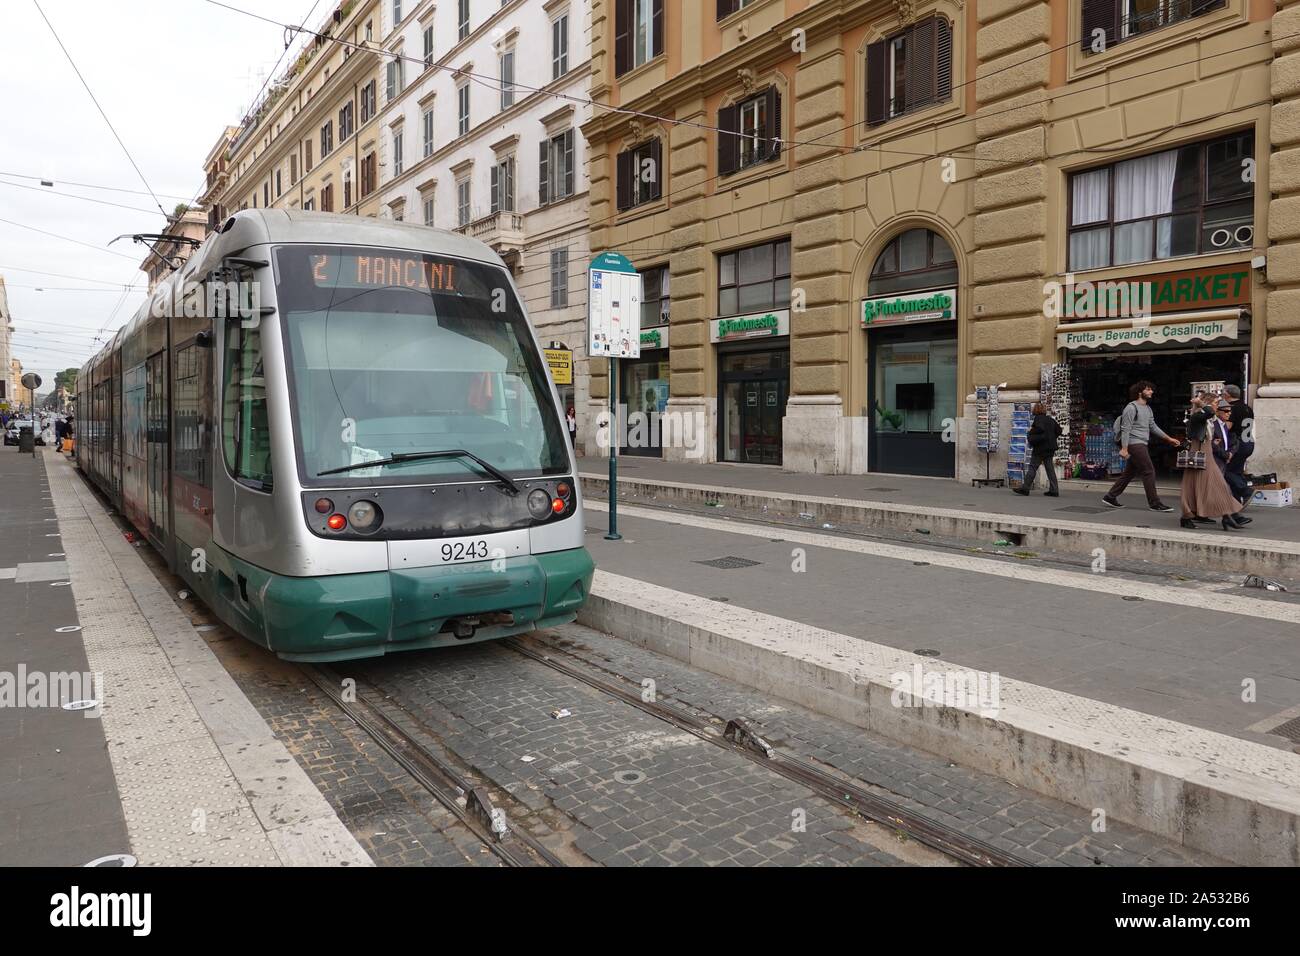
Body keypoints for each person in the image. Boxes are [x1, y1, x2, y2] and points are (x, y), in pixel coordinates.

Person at [1103, 380, 1181, 512]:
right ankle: (1154, 503)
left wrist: (1168, 439)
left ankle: (1110, 496)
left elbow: (1152, 426)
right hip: (1135, 444)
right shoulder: (1131, 408)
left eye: (1151, 389)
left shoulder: (1148, 408)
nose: (1151, 392)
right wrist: (1124, 448)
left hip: (1141, 443)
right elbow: (1126, 429)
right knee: (1148, 471)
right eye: (1148, 389)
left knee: (1129, 473)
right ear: (1140, 392)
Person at [1180, 395, 1247, 531]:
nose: (1218, 406)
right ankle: (1187, 516)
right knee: (1193, 485)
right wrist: (1200, 403)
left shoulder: (1208, 418)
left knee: (1217, 485)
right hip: (1198, 452)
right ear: (1208, 404)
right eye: (1216, 403)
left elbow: (1208, 430)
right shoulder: (1198, 415)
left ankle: (1226, 516)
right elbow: (1209, 412)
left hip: (1206, 452)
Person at [1015, 403, 1061, 497]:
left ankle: (1025, 488)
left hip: (1040, 448)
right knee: (1050, 469)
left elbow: (1040, 428)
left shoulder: (1038, 419)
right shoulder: (1050, 419)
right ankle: (1054, 490)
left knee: (1033, 467)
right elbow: (1059, 430)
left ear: (1035, 410)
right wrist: (1052, 437)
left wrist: (1031, 431)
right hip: (1050, 448)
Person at [1222, 384, 1254, 505]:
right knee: (1237, 471)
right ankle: (1237, 500)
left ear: (1227, 394)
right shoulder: (1247, 408)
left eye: (1223, 393)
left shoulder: (1232, 408)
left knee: (1227, 471)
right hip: (1249, 442)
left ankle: (1246, 492)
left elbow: (1228, 427)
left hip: (1238, 444)